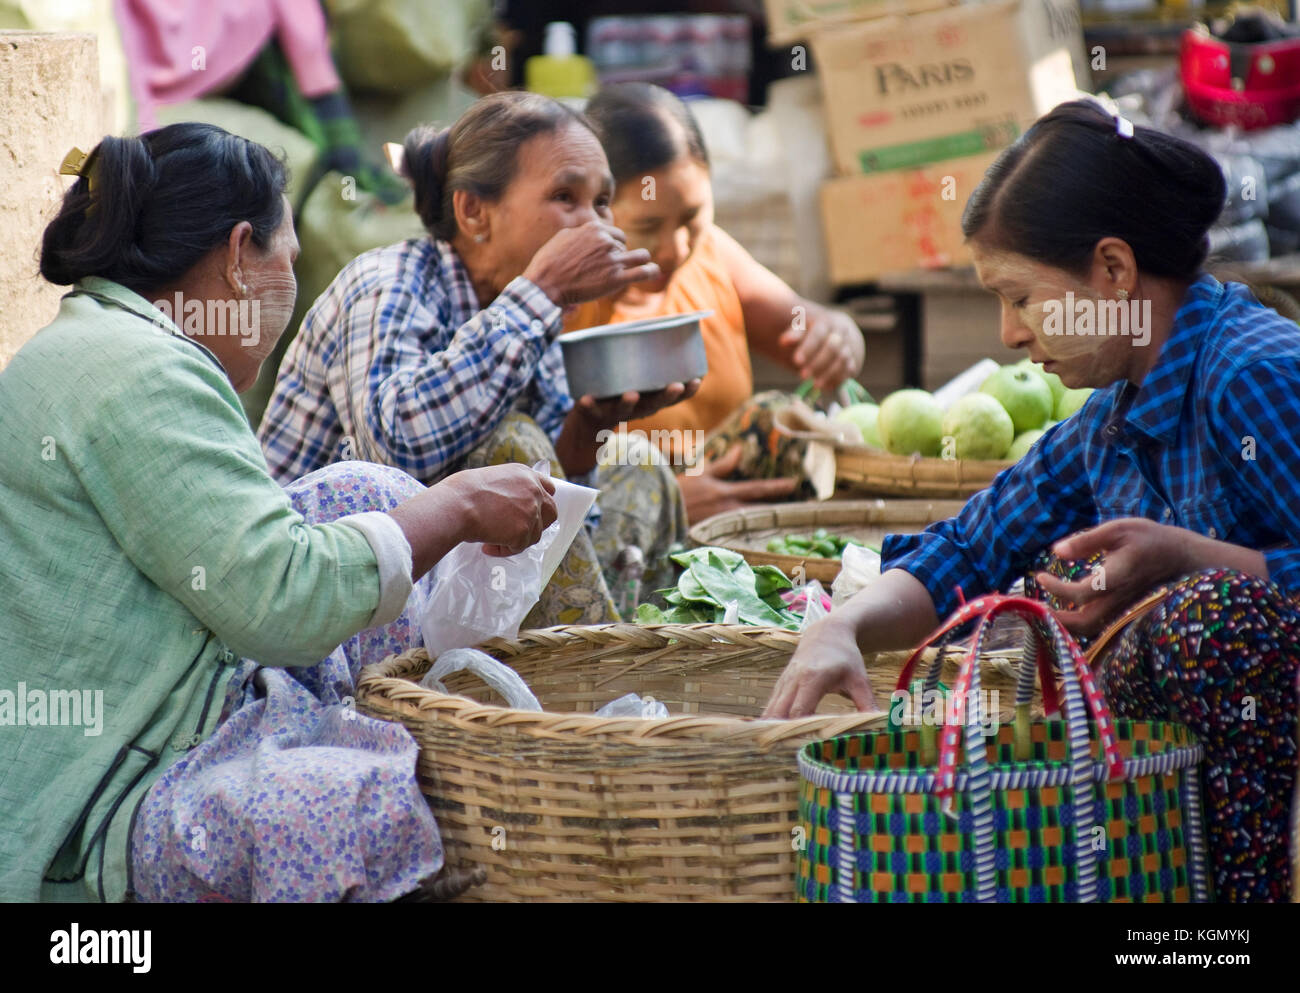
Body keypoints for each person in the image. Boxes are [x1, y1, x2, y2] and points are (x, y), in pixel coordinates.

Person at [0, 124, 558, 903]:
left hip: (159, 710)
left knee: (364, 494)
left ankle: (424, 736)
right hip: (88, 809)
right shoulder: (142, 372)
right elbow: (281, 601)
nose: (291, 287)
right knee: (345, 805)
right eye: (287, 258)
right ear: (238, 255)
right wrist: (459, 504)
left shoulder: (115, 342)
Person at [763, 100, 1300, 903]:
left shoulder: (1249, 374)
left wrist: (1187, 561)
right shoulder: (1108, 421)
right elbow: (968, 551)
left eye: (1020, 297)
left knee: (1209, 618)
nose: (1009, 334)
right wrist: (842, 627)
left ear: (1113, 272)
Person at [258, 91, 697, 622]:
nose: (596, 226)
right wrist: (544, 288)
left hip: (448, 591)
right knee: (512, 444)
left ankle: (632, 657)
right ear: (473, 212)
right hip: (332, 592)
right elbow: (395, 452)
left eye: (603, 202)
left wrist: (584, 430)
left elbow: (555, 487)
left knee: (635, 464)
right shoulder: (389, 283)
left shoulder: (531, 311)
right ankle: (588, 686)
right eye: (565, 197)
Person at [569, 82, 868, 523]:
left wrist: (840, 337)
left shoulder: (711, 255)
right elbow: (534, 475)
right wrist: (660, 504)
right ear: (596, 209)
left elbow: (807, 328)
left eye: (692, 217)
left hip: (732, 535)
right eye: (648, 226)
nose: (675, 248)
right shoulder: (562, 301)